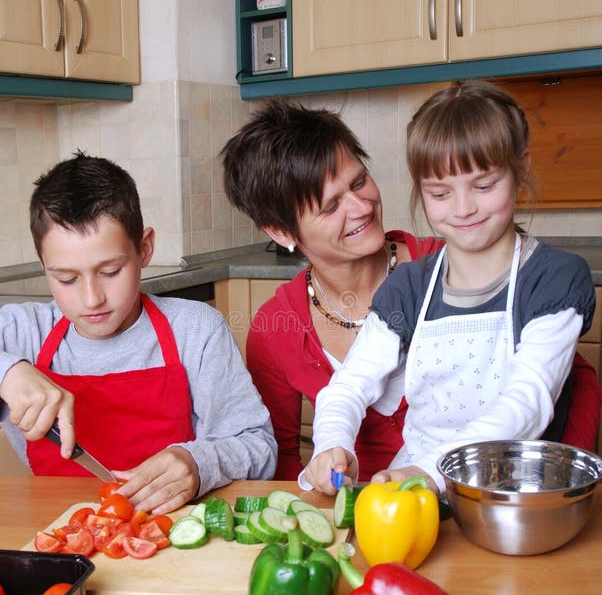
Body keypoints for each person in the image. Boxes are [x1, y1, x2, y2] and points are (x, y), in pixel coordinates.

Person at [221, 96, 600, 485]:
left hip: (496, 485)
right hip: (390, 496)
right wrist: (332, 455)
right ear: (281, 231)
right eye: (331, 205)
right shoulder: (286, 323)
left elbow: (556, 388)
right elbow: (297, 439)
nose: (360, 207)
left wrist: (565, 482)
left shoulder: (476, 261)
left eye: (359, 182)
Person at [0, 152, 276, 513]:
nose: (91, 298)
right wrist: (6, 371)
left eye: (111, 271)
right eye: (65, 278)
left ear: (144, 249)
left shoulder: (195, 330)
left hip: (170, 533)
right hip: (60, 530)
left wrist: (197, 463)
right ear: (43, 265)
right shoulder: (21, 331)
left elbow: (260, 447)